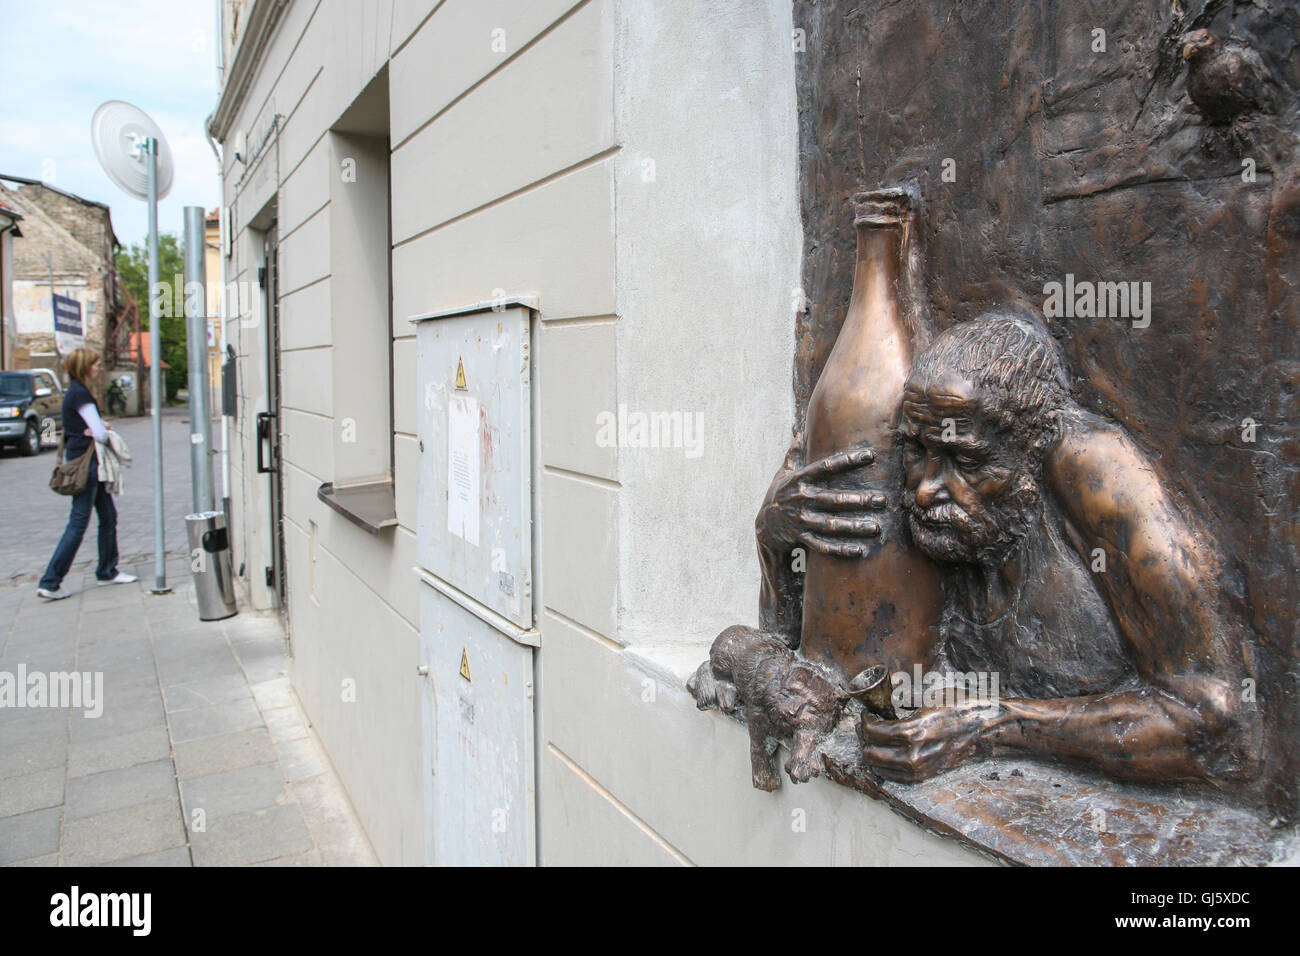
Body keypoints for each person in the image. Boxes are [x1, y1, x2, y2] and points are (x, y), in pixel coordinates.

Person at [757, 312, 1259, 785]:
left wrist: (990, 728)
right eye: (919, 451)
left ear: (1032, 451)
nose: (927, 488)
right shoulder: (922, 495)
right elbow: (800, 643)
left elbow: (1214, 721)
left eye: (966, 460)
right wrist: (774, 543)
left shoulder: (1100, 477)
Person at [36, 349, 137, 599]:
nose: (99, 368)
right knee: (79, 522)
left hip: (86, 463)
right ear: (84, 367)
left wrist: (94, 429)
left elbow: (87, 429)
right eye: (96, 364)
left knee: (108, 515)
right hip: (88, 466)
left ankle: (107, 571)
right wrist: (101, 428)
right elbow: (100, 434)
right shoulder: (81, 395)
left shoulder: (74, 392)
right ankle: (51, 581)